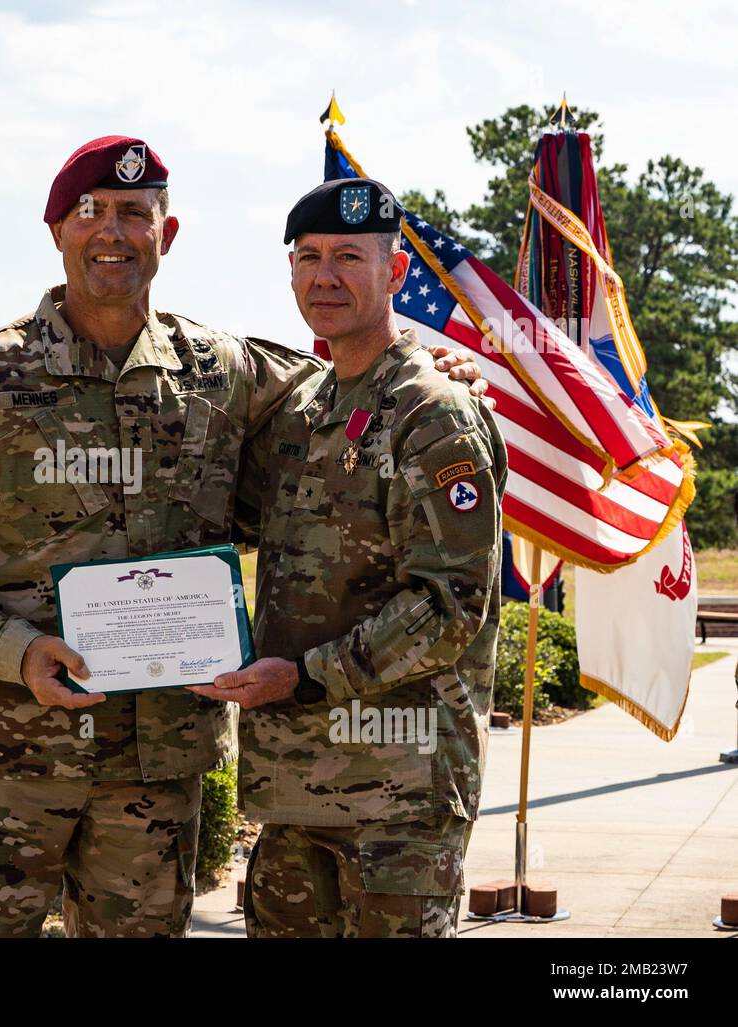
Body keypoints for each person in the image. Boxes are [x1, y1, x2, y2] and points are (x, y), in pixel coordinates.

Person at [0, 140, 485, 938]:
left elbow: (355, 387)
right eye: (91, 212)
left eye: (136, 212)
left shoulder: (219, 371)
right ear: (57, 228)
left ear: (167, 233)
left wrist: (441, 373)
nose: (113, 232)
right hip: (8, 767)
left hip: (154, 779)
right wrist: (15, 650)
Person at [191, 177, 507, 938]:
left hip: (399, 795)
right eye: (308, 257)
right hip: (296, 788)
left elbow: (449, 608)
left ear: (394, 274)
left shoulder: (434, 414)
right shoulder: (303, 412)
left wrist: (302, 676)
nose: (325, 276)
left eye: (349, 258)